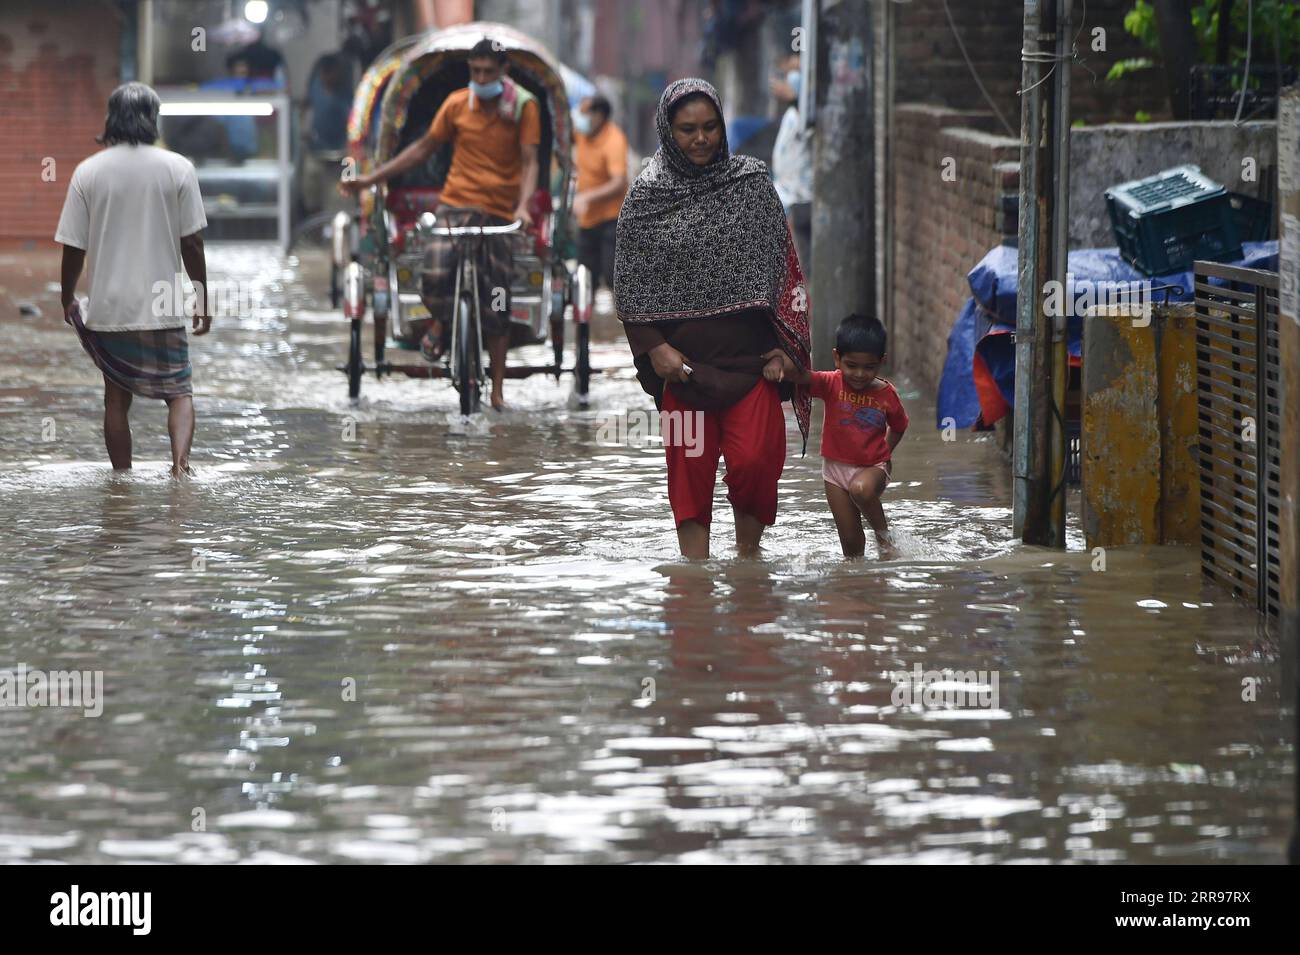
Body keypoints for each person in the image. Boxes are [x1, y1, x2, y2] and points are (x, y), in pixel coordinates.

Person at [614, 78, 811, 560]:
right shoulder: (646, 198)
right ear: (667, 131)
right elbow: (629, 284)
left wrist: (788, 350)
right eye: (687, 130)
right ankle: (695, 579)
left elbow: (785, 271)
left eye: (710, 127)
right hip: (682, 371)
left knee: (758, 464)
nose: (701, 138)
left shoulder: (752, 185)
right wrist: (655, 349)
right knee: (689, 474)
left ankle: (748, 565)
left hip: (753, 366)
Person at [339, 37, 539, 411]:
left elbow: (530, 162)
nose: (481, 78)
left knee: (497, 302)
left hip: (498, 212)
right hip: (454, 206)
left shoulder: (523, 107)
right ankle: (442, 325)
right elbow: (422, 149)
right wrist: (370, 179)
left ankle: (496, 391)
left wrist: (525, 207)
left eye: (488, 72)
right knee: (431, 276)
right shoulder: (457, 104)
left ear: (503, 72)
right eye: (475, 71)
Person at [55, 82, 212, 477]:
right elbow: (191, 243)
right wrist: (202, 298)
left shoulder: (88, 172)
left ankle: (121, 483)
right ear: (152, 119)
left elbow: (73, 247)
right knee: (179, 392)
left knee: (115, 399)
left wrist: (67, 295)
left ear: (112, 118)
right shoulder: (178, 168)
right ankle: (180, 467)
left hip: (110, 306)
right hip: (163, 305)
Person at [763, 313, 909, 557]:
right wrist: (778, 360)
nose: (860, 374)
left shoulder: (887, 394)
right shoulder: (831, 383)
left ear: (881, 362)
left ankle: (884, 538)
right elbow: (800, 376)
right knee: (851, 545)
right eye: (852, 366)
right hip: (834, 473)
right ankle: (858, 586)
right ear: (837, 358)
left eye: (869, 367)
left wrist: (885, 453)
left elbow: (900, 425)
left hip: (873, 468)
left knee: (861, 489)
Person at [572, 94, 628, 292]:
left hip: (610, 220)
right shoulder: (580, 134)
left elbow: (619, 182)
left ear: (600, 115)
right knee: (584, 280)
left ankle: (624, 320)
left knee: (612, 276)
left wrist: (587, 197)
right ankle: (583, 322)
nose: (580, 116)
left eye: (585, 112)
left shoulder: (614, 140)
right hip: (587, 220)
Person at [769, 53, 812, 275]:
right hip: (788, 199)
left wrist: (796, 98)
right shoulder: (790, 115)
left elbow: (809, 117)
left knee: (802, 267)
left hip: (802, 198)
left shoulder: (804, 113)